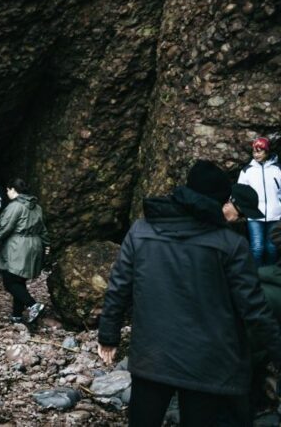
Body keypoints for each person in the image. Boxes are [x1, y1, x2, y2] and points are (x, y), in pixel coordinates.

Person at [98, 160, 281, 426]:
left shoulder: (140, 230)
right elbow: (253, 309)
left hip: (152, 356)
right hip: (207, 364)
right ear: (221, 200)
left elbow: (119, 286)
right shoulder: (232, 245)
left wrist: (108, 335)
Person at [0, 178, 49, 324]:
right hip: (34, 244)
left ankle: (33, 305)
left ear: (13, 190)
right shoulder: (36, 207)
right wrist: (47, 245)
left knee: (10, 282)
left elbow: (5, 227)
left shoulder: (16, 206)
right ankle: (17, 316)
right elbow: (43, 229)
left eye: (7, 190)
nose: (6, 193)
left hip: (18, 246)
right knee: (20, 280)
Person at [237, 137, 281, 266]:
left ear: (267, 152)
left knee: (272, 248)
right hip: (255, 216)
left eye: (259, 151)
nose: (256, 155)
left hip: (275, 215)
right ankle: (256, 278)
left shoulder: (277, 169)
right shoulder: (247, 171)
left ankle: (270, 276)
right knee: (257, 248)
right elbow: (240, 193)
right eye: (254, 152)